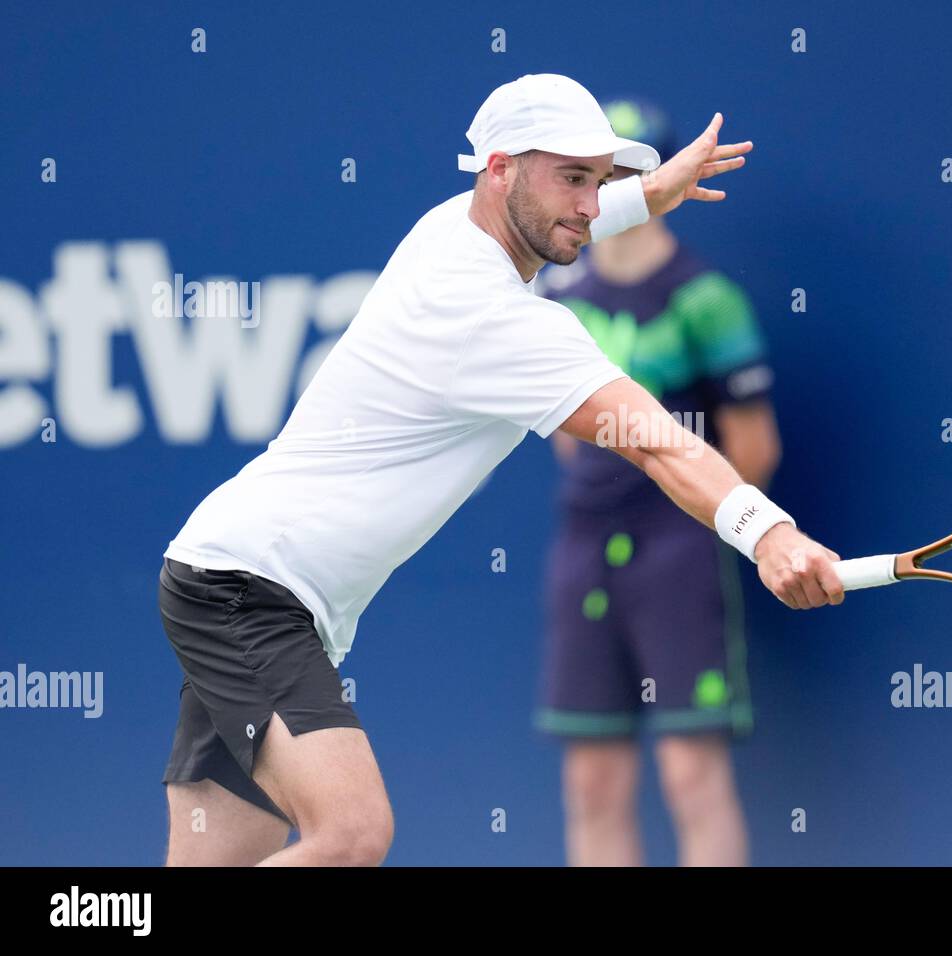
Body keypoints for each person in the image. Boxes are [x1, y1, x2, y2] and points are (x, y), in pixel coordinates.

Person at [157, 73, 844, 867]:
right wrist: (768, 534)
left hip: (233, 575)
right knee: (350, 836)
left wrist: (651, 192)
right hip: (249, 590)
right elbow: (658, 440)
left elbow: (553, 221)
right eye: (573, 177)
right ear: (500, 169)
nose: (592, 204)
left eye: (600, 180)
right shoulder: (500, 322)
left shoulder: (451, 229)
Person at [535, 98, 780, 866]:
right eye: (586, 173)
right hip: (582, 547)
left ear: (660, 177)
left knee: (689, 775)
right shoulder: (553, 292)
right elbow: (566, 433)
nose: (599, 190)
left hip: (678, 551)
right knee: (593, 782)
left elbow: (753, 447)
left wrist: (695, 516)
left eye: (620, 171)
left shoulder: (706, 299)